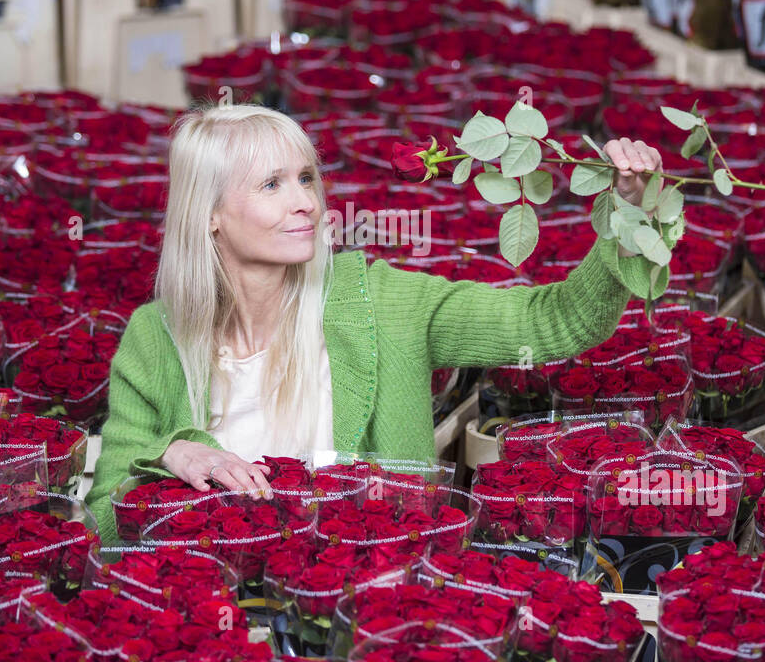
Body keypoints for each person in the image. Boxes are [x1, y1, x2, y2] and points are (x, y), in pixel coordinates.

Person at [84, 104, 663, 546]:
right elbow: (108, 525)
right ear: (208, 214)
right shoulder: (155, 336)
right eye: (271, 185)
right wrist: (174, 456)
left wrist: (628, 212)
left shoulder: (384, 302)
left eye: (307, 178)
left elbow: (555, 323)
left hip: (376, 614)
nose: (306, 202)